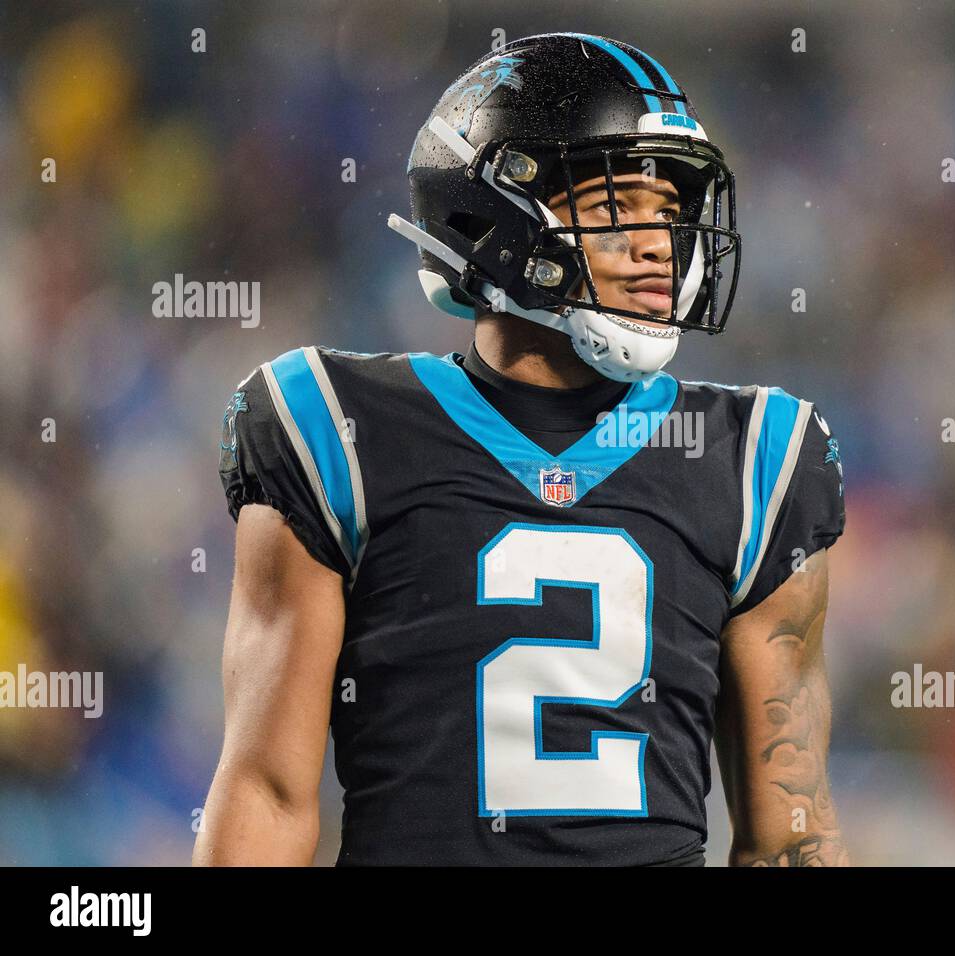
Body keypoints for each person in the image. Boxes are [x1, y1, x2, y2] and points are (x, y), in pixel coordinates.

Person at [194, 32, 848, 866]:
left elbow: (791, 835)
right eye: (618, 205)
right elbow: (268, 794)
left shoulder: (759, 457)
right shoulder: (335, 428)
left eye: (671, 211)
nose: (659, 245)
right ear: (497, 212)